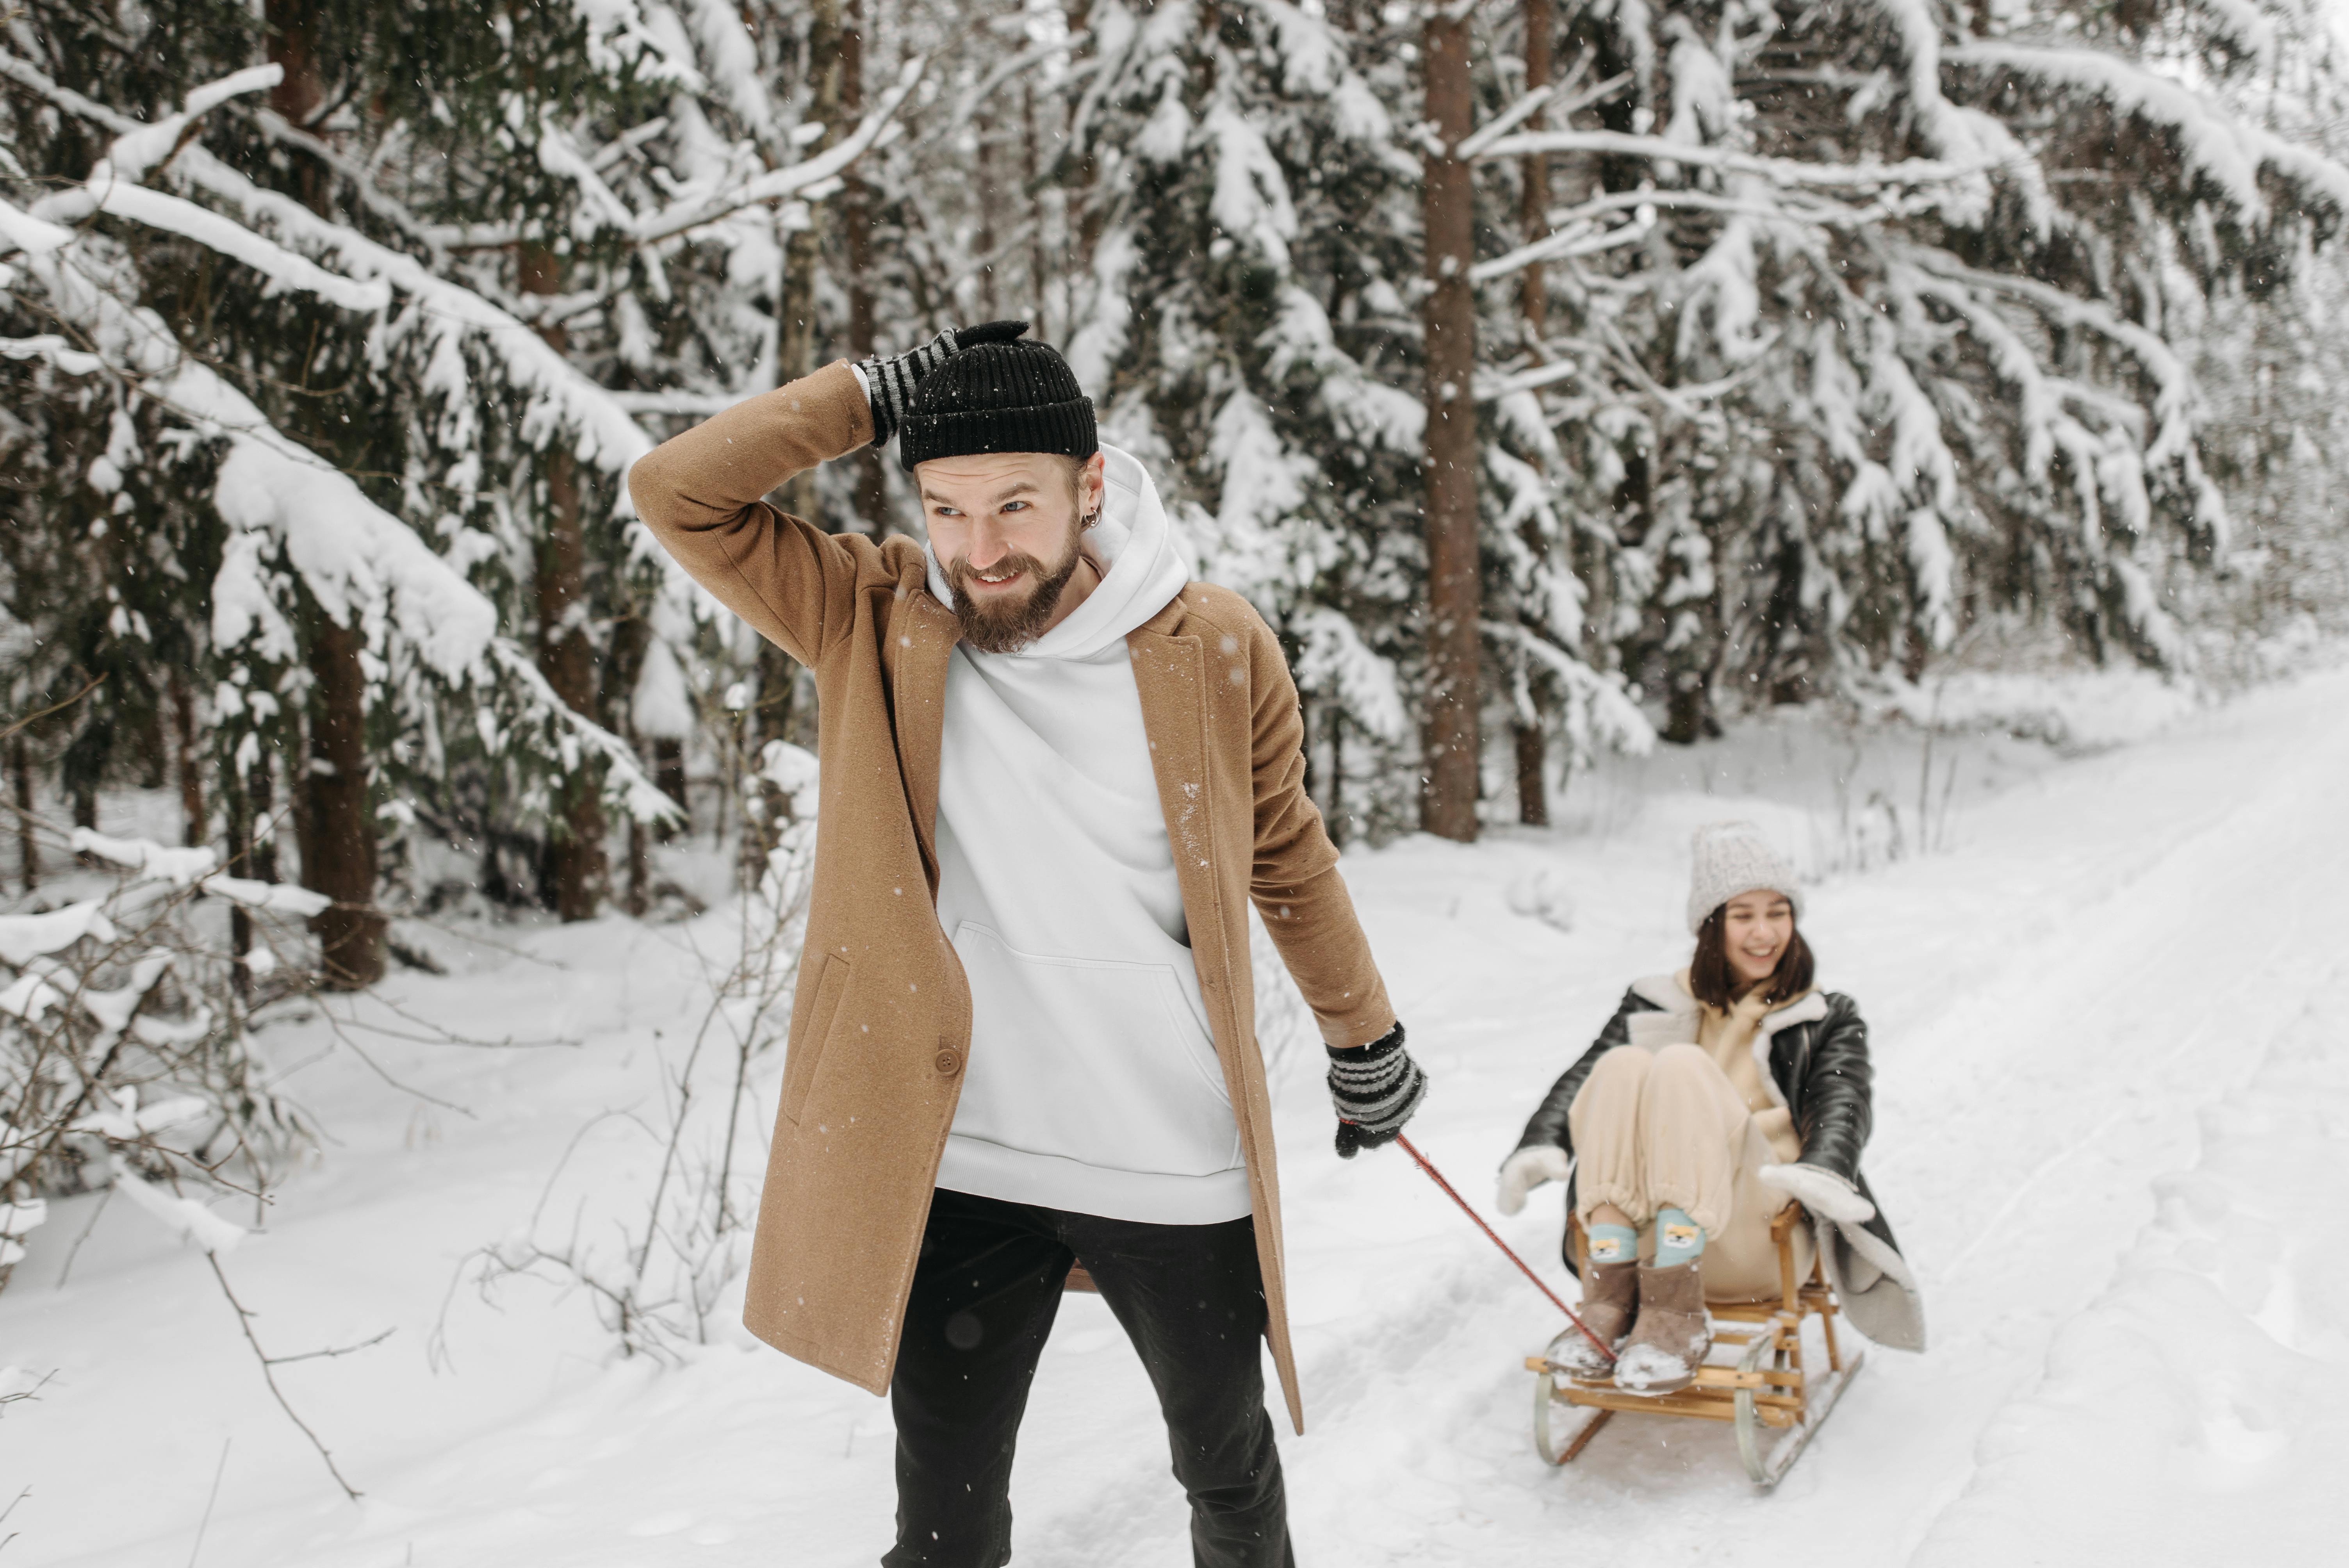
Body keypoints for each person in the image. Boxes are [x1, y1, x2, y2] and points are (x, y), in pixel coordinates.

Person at [627, 321, 1428, 1567]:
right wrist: (866, 395)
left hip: (1166, 1150)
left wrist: (1362, 1034)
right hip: (965, 1160)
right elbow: (675, 492)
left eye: (1014, 503)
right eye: (946, 508)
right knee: (942, 1535)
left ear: (1090, 485)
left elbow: (1286, 853)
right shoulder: (870, 616)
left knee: (1228, 1486)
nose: (980, 549)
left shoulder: (1212, 644)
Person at [1494, 822, 1923, 1394]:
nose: (1764, 932)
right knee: (1622, 1065)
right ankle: (1609, 1302)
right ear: (1712, 926)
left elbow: (1843, 1103)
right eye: (1743, 915)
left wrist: (1825, 1169)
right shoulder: (1655, 1003)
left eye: (1779, 912)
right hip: (1641, 1240)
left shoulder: (1825, 1016)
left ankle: (1677, 1316)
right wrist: (1541, 1143)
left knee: (1680, 1066)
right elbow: (1585, 1076)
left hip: (1761, 1230)